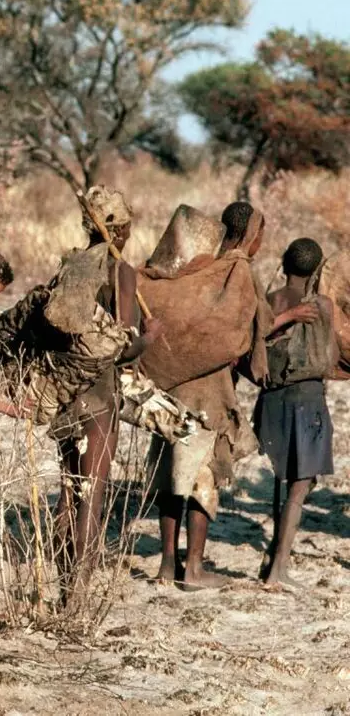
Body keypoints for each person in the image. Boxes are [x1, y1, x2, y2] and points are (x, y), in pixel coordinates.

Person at [145, 201, 290, 589]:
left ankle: (165, 566)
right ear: (248, 235)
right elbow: (246, 333)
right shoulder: (237, 272)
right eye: (259, 235)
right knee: (202, 480)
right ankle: (193, 570)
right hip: (208, 394)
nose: (260, 244)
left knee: (170, 478)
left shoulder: (196, 265)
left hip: (172, 388)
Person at [54, 189, 162, 594]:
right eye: (128, 226)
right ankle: (76, 594)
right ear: (118, 230)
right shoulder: (122, 273)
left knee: (69, 487)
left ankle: (63, 580)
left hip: (65, 390)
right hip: (99, 393)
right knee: (92, 492)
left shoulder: (70, 265)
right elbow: (122, 345)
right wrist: (150, 338)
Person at [255, 238, 332, 588]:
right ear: (316, 271)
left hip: (272, 401)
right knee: (300, 489)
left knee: (280, 477)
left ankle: (272, 555)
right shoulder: (324, 307)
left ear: (284, 264)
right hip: (307, 400)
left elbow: (253, 339)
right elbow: (331, 356)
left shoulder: (270, 301)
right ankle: (278, 571)